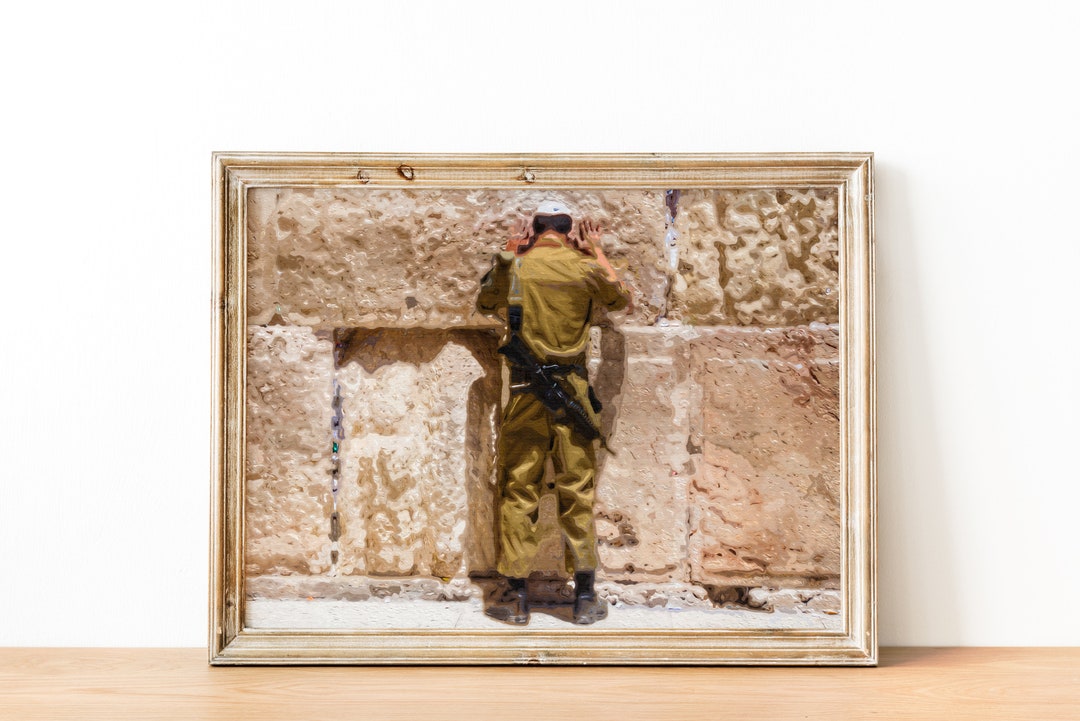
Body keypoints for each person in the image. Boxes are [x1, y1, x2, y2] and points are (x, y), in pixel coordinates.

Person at [476, 200, 631, 625]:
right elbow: (620, 299)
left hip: (527, 392)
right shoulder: (584, 268)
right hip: (573, 393)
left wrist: (509, 251)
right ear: (569, 231)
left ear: (534, 229)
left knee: (519, 488)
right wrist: (596, 250)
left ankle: (516, 596)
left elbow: (485, 301)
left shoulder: (517, 266)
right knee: (576, 489)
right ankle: (583, 597)